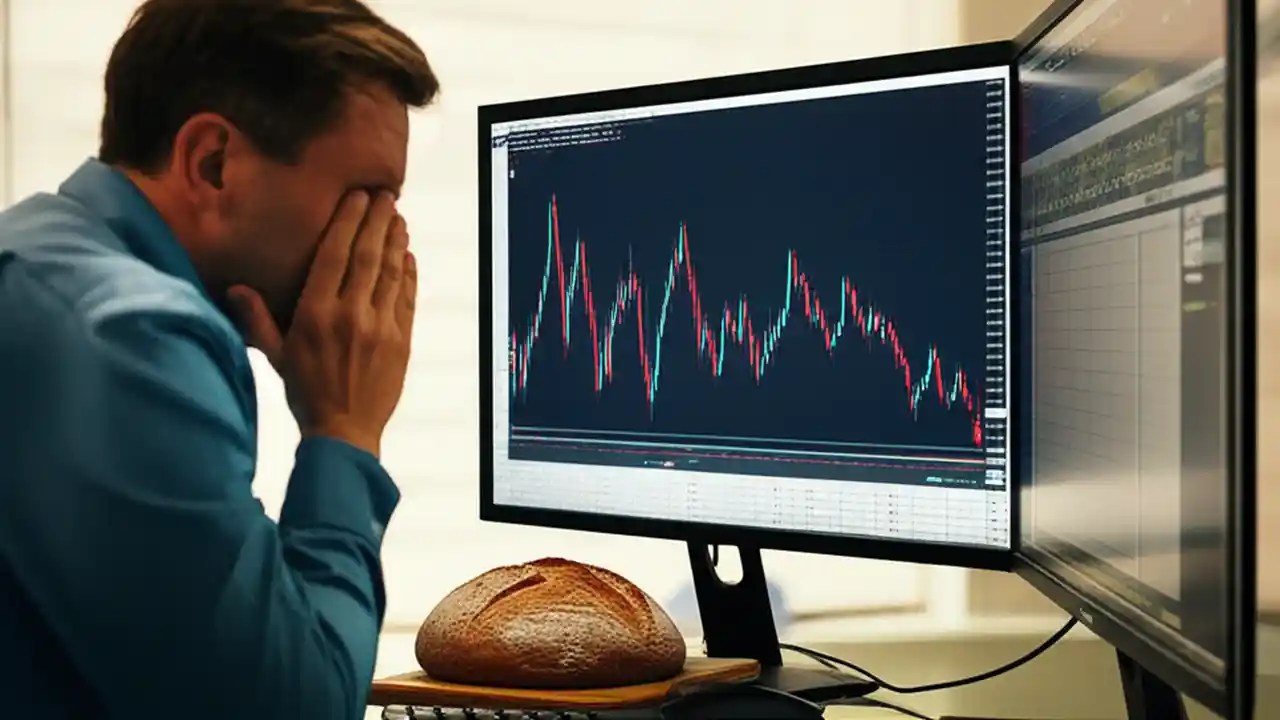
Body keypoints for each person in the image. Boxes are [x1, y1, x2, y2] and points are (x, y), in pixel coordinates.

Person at [0, 0, 439, 717]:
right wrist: (345, 432)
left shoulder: (38, 260)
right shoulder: (129, 335)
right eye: (366, 196)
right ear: (213, 163)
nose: (388, 236)